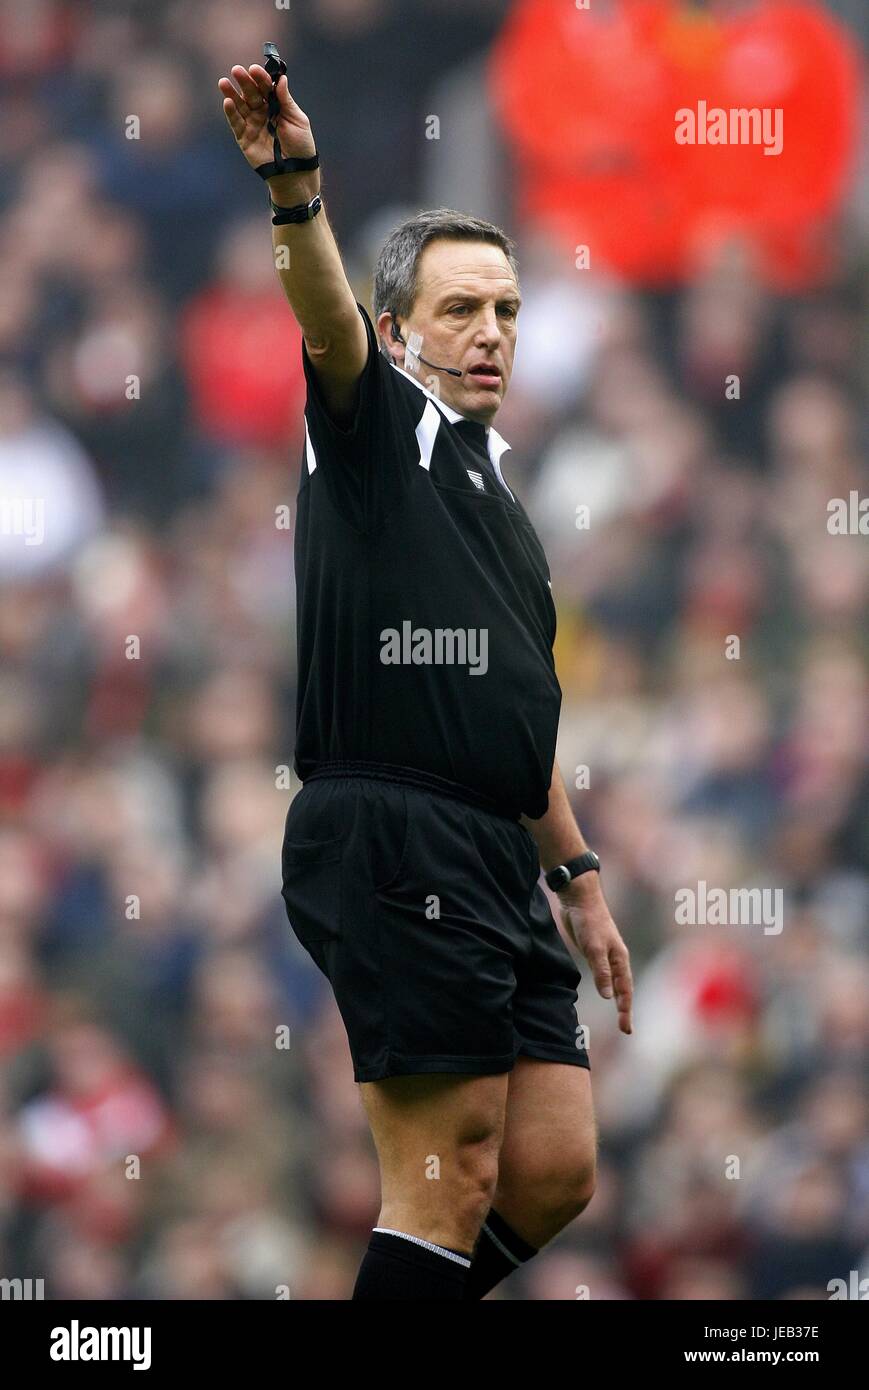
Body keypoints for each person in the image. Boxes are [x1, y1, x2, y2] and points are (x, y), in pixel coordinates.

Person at [219, 58, 633, 1301]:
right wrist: (297, 191)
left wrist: (576, 873)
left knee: (551, 1169)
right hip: (393, 830)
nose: (490, 333)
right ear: (401, 333)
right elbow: (326, 318)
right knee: (444, 1179)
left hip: (495, 850)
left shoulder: (502, 502)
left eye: (504, 310)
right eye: (459, 310)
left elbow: (513, 714)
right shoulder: (370, 424)